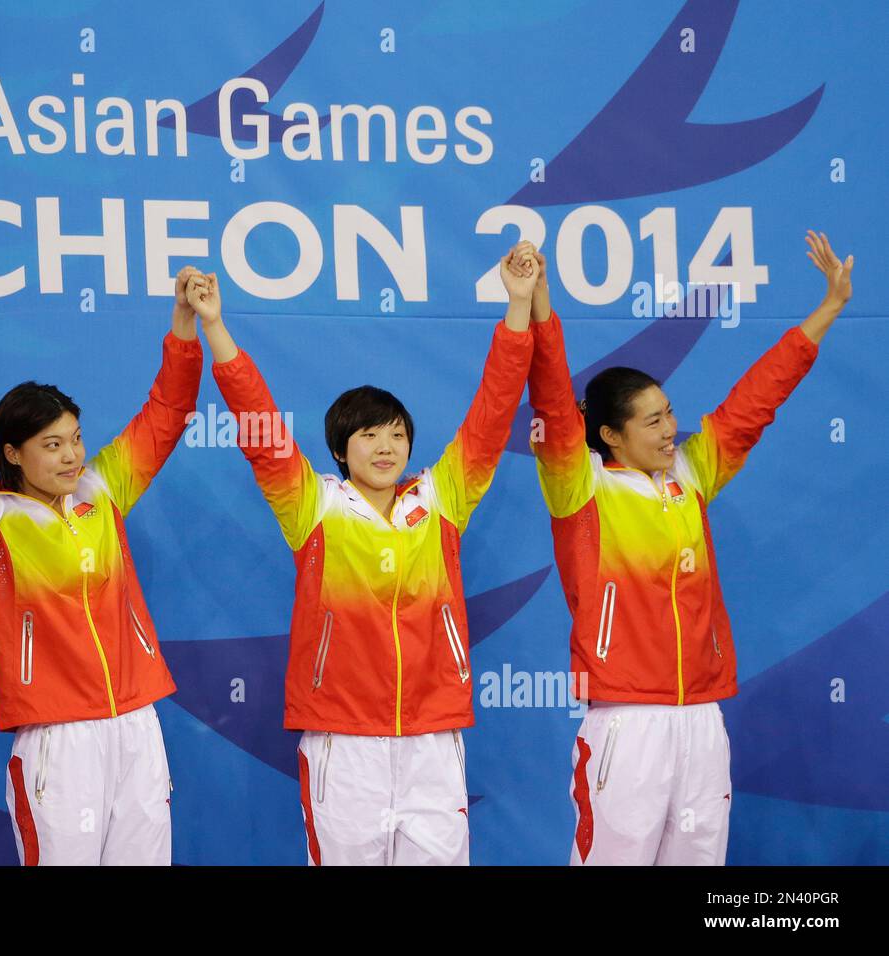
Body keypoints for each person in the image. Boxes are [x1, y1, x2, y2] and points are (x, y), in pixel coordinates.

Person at [185, 253, 537, 865]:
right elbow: (259, 424)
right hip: (342, 743)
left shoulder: (443, 496)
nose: (386, 446)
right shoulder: (312, 505)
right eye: (369, 435)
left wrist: (516, 305)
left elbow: (493, 411)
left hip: (432, 738)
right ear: (341, 450)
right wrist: (214, 326)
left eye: (397, 434)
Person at [519, 232, 854, 865]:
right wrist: (539, 303)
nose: (672, 428)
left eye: (670, 412)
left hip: (701, 717)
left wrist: (828, 309)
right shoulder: (580, 488)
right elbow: (555, 404)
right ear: (611, 434)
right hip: (627, 722)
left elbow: (757, 400)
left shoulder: (691, 477)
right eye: (652, 420)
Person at [0, 269, 205, 866]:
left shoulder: (100, 491)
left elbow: (170, 409)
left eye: (75, 439)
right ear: (12, 452)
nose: (71, 454)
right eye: (52, 444)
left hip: (135, 719)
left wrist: (183, 322)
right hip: (57, 735)